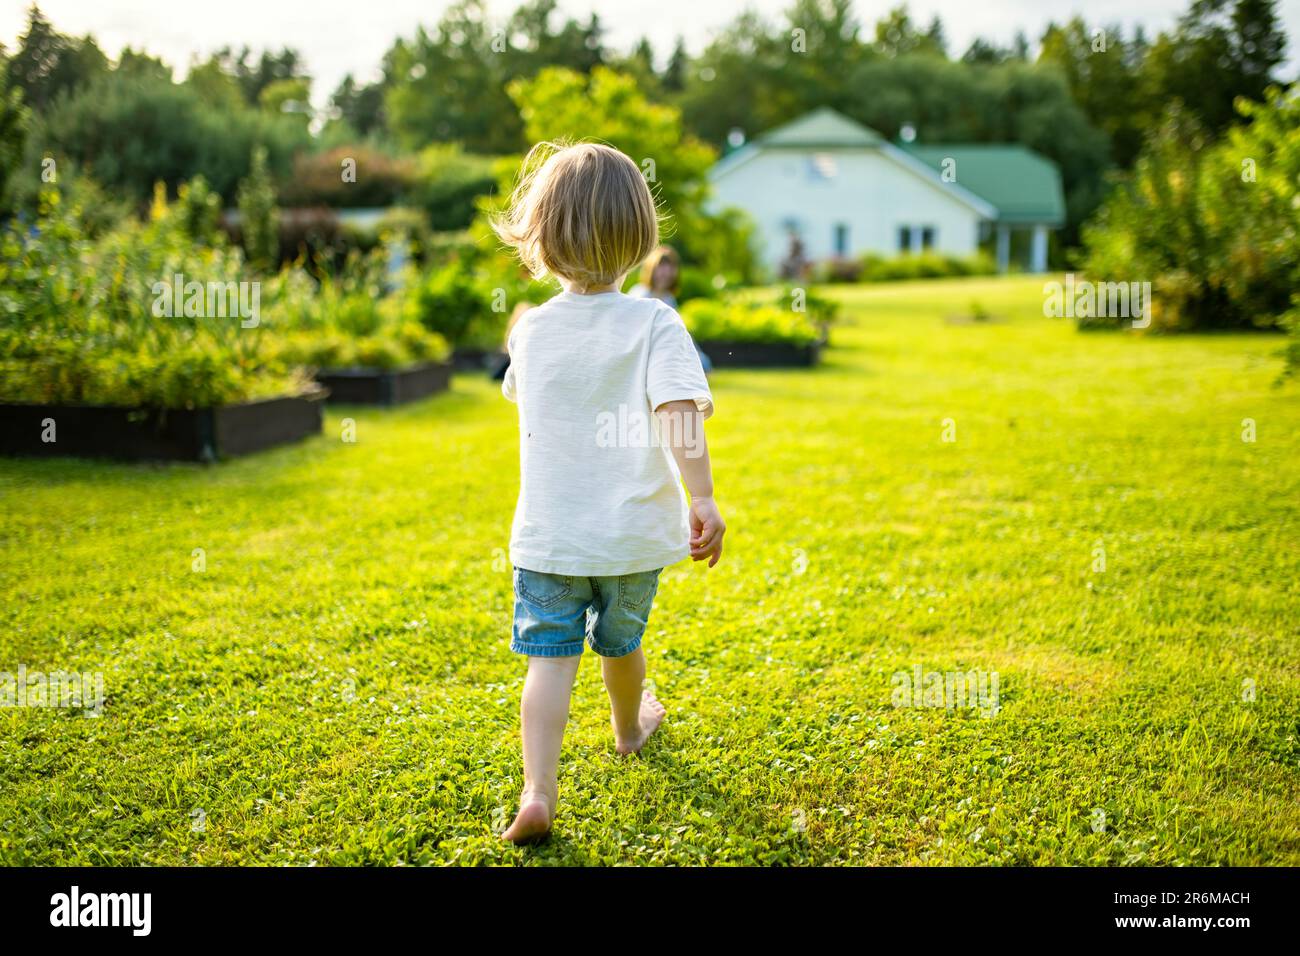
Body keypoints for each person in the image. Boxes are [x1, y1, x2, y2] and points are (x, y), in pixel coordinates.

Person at [491, 142, 726, 844]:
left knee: (549, 661)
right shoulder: (655, 322)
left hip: (550, 540)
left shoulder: (532, 330)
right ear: (639, 237)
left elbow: (522, 389)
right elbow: (678, 414)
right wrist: (704, 499)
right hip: (626, 541)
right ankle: (630, 727)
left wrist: (522, 331)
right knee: (621, 645)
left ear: (540, 237)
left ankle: (538, 788)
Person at [628, 245, 713, 373]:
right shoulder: (640, 294)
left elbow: (679, 330)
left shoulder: (669, 298)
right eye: (661, 266)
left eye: (671, 267)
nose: (666, 272)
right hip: (646, 352)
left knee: (703, 361)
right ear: (651, 268)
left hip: (666, 350)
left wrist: (695, 353)